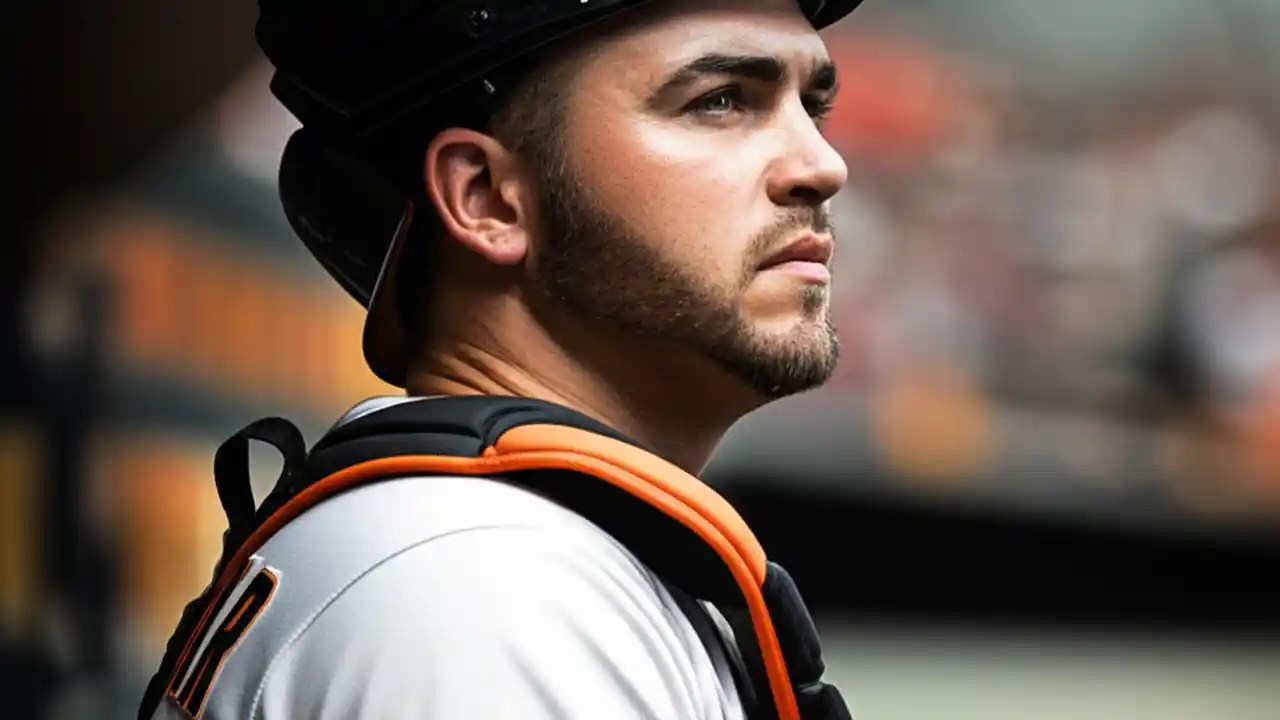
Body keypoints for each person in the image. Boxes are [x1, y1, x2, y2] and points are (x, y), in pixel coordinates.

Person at [144, 0, 861, 717]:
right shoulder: (486, 585)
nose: (823, 167)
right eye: (721, 101)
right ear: (487, 198)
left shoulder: (505, 553)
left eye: (813, 108)